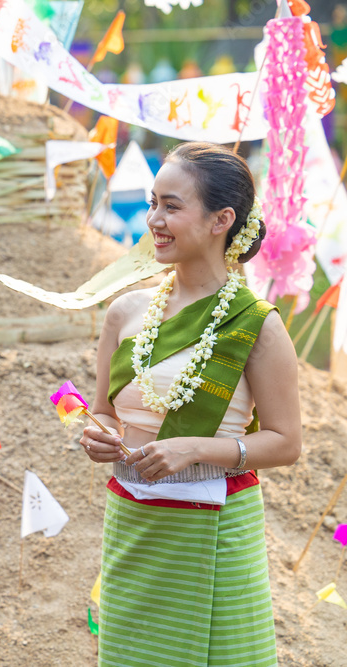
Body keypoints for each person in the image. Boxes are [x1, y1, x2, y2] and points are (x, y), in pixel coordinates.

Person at [82, 142, 301, 666]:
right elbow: (103, 410)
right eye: (154, 202)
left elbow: (286, 442)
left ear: (221, 219)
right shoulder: (126, 311)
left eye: (172, 206)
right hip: (133, 520)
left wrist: (196, 448)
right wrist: (97, 432)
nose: (154, 219)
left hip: (214, 524)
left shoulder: (257, 325)